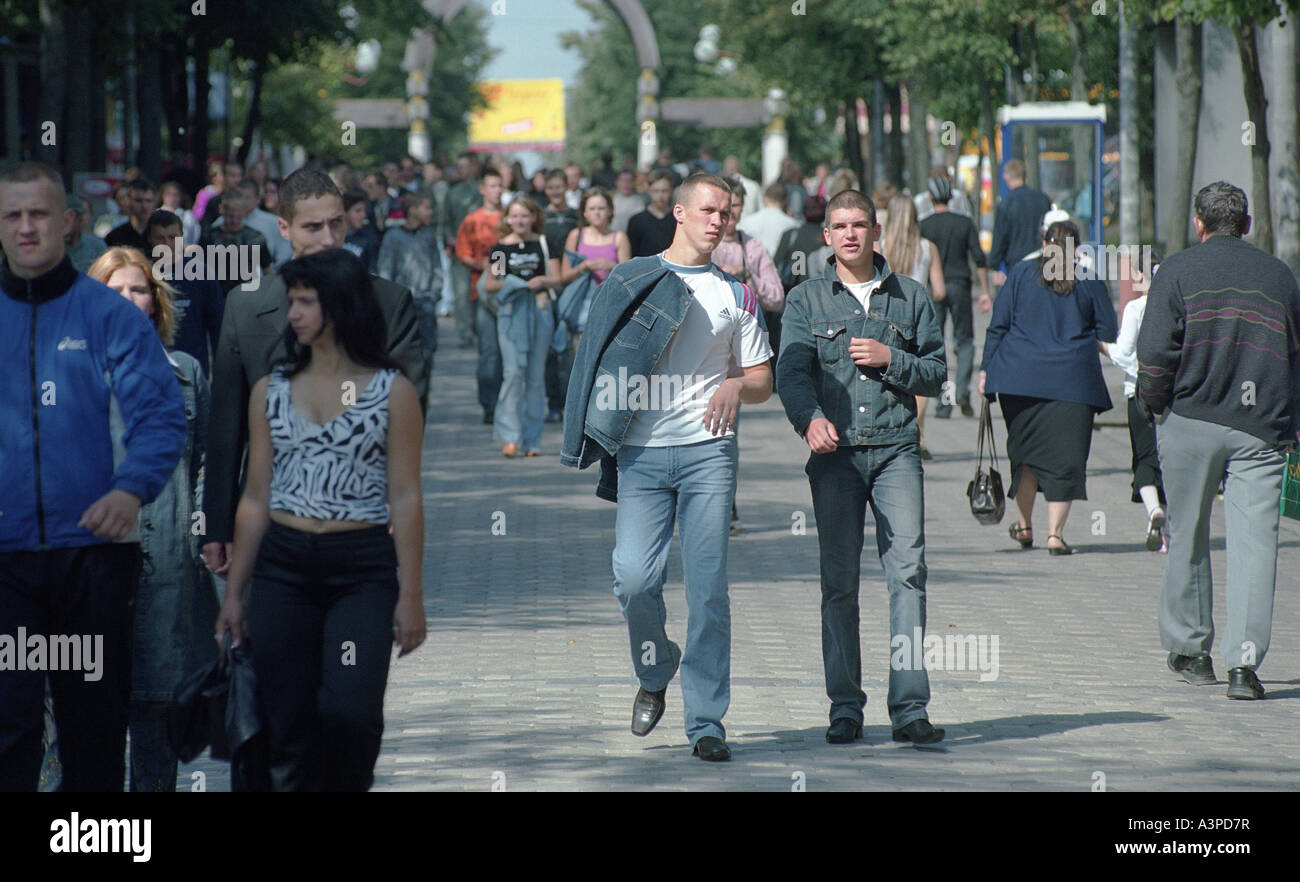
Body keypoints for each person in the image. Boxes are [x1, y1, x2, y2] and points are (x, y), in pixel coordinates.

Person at [561, 172, 773, 762]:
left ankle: (705, 722)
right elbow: (593, 356)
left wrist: (737, 385)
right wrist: (585, 433)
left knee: (708, 591)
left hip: (709, 454)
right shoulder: (632, 279)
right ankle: (655, 669)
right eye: (707, 210)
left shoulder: (736, 293)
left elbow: (762, 377)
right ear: (678, 213)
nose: (718, 221)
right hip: (642, 453)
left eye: (725, 213)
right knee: (633, 579)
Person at [0, 161, 187, 791]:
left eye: (39, 214)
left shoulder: (109, 317)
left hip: (95, 557)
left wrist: (130, 489)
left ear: (68, 221)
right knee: (9, 726)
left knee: (94, 729)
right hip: (6, 563)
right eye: (12, 215)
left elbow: (160, 416)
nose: (26, 227)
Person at [214, 248, 426, 791]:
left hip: (361, 571)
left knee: (351, 714)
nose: (294, 314)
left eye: (306, 301)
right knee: (287, 726)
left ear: (341, 305)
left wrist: (411, 595)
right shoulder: (271, 391)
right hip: (282, 568)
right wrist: (235, 594)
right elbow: (255, 497)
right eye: (292, 301)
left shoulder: (393, 391)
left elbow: (406, 496)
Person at [776, 188, 948, 747]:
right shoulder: (805, 299)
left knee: (908, 574)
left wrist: (890, 358)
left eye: (859, 225)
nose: (850, 234)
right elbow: (791, 373)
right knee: (839, 582)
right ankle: (845, 706)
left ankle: (910, 709)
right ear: (826, 236)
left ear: (876, 231)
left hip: (897, 450)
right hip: (836, 457)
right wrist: (808, 420)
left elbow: (936, 373)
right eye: (840, 226)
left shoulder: (910, 295)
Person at [201, 168, 427, 580]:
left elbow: (410, 412)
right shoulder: (245, 305)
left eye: (336, 223)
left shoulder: (389, 302)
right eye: (312, 227)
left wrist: (393, 496)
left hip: (359, 511)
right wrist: (217, 523)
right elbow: (225, 426)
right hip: (269, 512)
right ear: (284, 228)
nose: (328, 238)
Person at [1137, 181, 1300, 699]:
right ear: (1246, 225)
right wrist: (1290, 423)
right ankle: (1243, 667)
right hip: (1261, 428)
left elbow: (1154, 352)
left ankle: (1191, 652)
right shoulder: (1280, 276)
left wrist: (1154, 404)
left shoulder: (1176, 271)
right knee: (1256, 545)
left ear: (1199, 224)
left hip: (1190, 419)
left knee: (1187, 532)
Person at [86, 246, 218, 792]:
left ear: (155, 302)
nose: (126, 299)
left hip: (167, 564)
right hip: (88, 564)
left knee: (157, 710)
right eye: (113, 289)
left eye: (137, 289)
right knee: (86, 711)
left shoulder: (184, 373)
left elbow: (207, 458)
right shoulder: (65, 372)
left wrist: (202, 530)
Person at [979, 219, 1117, 555]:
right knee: (1065, 460)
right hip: (1073, 382)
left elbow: (998, 326)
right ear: (1077, 248)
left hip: (1019, 379)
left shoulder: (1019, 274)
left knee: (1026, 455)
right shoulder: (1089, 279)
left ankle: (1025, 525)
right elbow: (1108, 331)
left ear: (1044, 244)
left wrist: (985, 371)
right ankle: (1055, 535)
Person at [1101, 251, 1168, 552]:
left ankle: (1153, 511)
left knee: (1143, 457)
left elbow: (1124, 353)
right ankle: (1167, 535)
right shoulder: (1175, 308)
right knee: (1167, 460)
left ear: (1141, 275)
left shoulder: (1135, 308)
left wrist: (1101, 346)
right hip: (1172, 395)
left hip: (1139, 392)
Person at [485, 198, 559, 457]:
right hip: (511, 312)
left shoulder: (543, 243)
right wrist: (516, 283)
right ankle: (510, 436)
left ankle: (532, 440)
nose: (519, 221)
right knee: (513, 373)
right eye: (515, 216)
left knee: (535, 377)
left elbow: (557, 278)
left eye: (524, 215)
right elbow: (491, 283)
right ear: (507, 218)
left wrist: (542, 281)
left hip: (539, 309)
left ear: (533, 217)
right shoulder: (500, 248)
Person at [919, 175, 991, 419]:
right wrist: (985, 290)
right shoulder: (964, 223)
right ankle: (962, 390)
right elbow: (979, 258)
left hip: (934, 289)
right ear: (951, 196)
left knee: (935, 343)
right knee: (965, 340)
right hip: (960, 285)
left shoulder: (925, 225)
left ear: (930, 198)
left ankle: (944, 401)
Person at [881, 195, 945, 459]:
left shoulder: (880, 246)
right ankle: (918, 432)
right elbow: (939, 290)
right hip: (919, 317)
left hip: (886, 317)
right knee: (921, 375)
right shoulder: (927, 247)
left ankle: (891, 428)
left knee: (889, 371)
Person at [377, 190, 440, 407]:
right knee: (399, 357)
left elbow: (437, 267)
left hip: (425, 303)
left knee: (426, 356)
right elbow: (386, 269)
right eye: (426, 208)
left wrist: (433, 294)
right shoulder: (393, 237)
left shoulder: (429, 235)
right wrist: (390, 300)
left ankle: (421, 406)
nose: (430, 212)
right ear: (412, 210)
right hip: (401, 306)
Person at [146, 209, 226, 376]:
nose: (167, 244)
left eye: (172, 238)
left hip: (194, 367)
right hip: (151, 364)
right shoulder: (142, 274)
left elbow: (217, 325)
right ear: (149, 239)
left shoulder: (202, 273)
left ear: (182, 237)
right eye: (160, 238)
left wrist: (222, 371)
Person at [455, 167, 505, 423]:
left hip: (508, 292)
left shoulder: (510, 216)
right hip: (482, 292)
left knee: (509, 352)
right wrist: (483, 265)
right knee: (489, 350)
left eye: (500, 185)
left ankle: (507, 403)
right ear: (482, 189)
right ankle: (489, 405)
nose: (497, 190)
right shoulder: (472, 220)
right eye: (492, 186)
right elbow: (462, 254)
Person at [989, 158, 1052, 285]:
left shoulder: (1006, 204)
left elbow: (1000, 236)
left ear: (1007, 176)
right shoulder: (1043, 200)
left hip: (1016, 264)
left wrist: (994, 266)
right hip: (1042, 262)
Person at [442, 154, 483, 347]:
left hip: (482, 250)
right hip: (460, 249)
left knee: (481, 291)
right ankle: (465, 333)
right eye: (458, 166)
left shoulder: (482, 190)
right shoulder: (452, 193)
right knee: (461, 293)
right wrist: (448, 239)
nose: (461, 170)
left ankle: (481, 330)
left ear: (474, 167)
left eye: (465, 166)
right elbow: (445, 220)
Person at [199, 192, 273, 294]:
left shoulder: (255, 238)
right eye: (230, 216)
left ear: (244, 212)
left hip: (247, 291)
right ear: (222, 211)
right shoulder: (209, 237)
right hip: (216, 291)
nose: (234, 221)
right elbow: (199, 268)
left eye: (238, 216)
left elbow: (267, 269)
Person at [559, 188, 630, 290]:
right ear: (585, 213)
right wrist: (584, 266)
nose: (597, 212)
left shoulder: (620, 238)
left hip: (610, 294)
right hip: (582, 296)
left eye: (601, 208)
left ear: (610, 211)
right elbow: (564, 277)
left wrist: (612, 266)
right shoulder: (575, 235)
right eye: (592, 209)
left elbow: (628, 276)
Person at [738, 182, 799, 258]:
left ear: (765, 199)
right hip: (780, 264)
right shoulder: (793, 224)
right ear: (784, 201)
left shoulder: (747, 222)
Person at [626, 169, 676, 258]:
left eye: (664, 191)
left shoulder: (678, 220)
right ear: (649, 191)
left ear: (671, 191)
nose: (660, 195)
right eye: (656, 191)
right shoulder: (637, 221)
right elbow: (631, 254)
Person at [104, 178, 157, 252]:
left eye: (148, 201)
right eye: (138, 201)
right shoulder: (115, 237)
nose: (144, 206)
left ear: (155, 203)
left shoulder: (163, 236)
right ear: (129, 201)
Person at [63, 193, 107, 271]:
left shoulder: (96, 246)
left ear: (79, 219)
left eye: (71, 218)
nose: (65, 224)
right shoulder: (52, 248)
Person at [610, 169, 647, 233]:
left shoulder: (642, 200)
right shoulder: (610, 198)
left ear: (634, 182)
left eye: (630, 181)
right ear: (616, 182)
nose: (626, 184)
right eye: (623, 180)